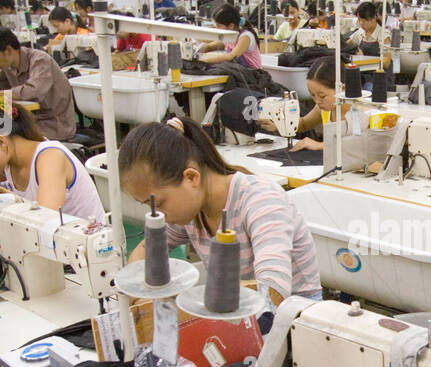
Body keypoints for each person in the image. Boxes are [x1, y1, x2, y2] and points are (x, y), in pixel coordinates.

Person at [118, 119, 322, 306]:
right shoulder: (191, 210)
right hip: (242, 312)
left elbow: (273, 288)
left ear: (191, 178)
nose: (158, 214)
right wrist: (137, 297)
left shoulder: (261, 200)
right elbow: (146, 249)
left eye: (159, 203)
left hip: (296, 320)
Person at [0, 103, 104, 221]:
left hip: (87, 254)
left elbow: (45, 220)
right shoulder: (9, 162)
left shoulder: (50, 158)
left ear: (1, 142)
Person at [0, 27, 76, 141]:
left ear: (8, 51)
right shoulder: (8, 66)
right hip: (30, 121)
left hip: (54, 124)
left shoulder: (40, 61)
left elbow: (32, 91)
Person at [200, 3, 262, 67]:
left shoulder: (245, 37)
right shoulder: (229, 36)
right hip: (240, 72)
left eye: (219, 26)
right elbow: (217, 45)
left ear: (231, 26)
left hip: (253, 74)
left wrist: (204, 59)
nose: (217, 28)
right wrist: (202, 48)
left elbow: (231, 56)